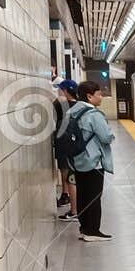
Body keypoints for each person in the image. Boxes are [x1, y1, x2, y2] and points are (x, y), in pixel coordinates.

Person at [64, 80, 115, 242]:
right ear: (89, 96)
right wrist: (111, 134)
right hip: (93, 161)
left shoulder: (72, 112)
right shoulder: (93, 115)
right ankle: (93, 231)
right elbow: (106, 137)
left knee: (83, 195)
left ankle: (84, 228)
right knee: (94, 196)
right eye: (99, 94)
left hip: (77, 159)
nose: (101, 97)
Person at [53, 79, 78, 222]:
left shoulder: (60, 105)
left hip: (64, 144)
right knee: (72, 174)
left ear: (65, 91)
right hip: (76, 146)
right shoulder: (81, 106)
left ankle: (69, 199)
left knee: (67, 172)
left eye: (60, 90)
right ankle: (69, 198)